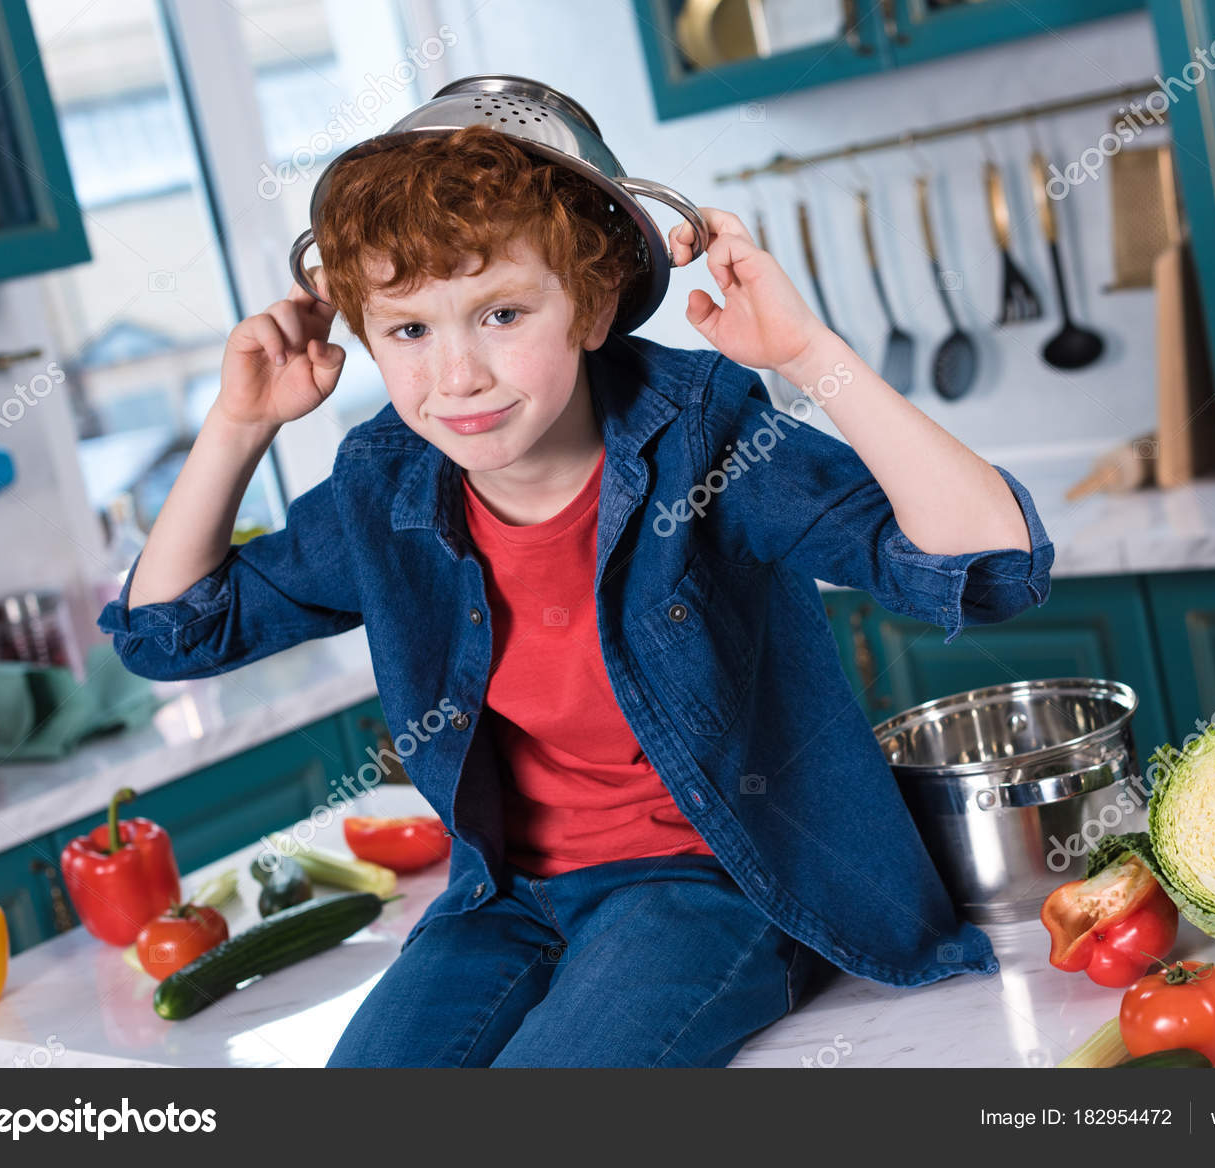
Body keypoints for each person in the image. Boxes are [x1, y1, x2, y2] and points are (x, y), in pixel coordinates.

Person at [98, 122, 1054, 1067]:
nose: (458, 376)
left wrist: (808, 352)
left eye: (502, 315)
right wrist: (239, 423)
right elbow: (170, 635)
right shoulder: (385, 484)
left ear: (591, 310)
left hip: (708, 881)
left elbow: (995, 565)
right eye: (410, 330)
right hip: (503, 898)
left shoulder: (702, 440)